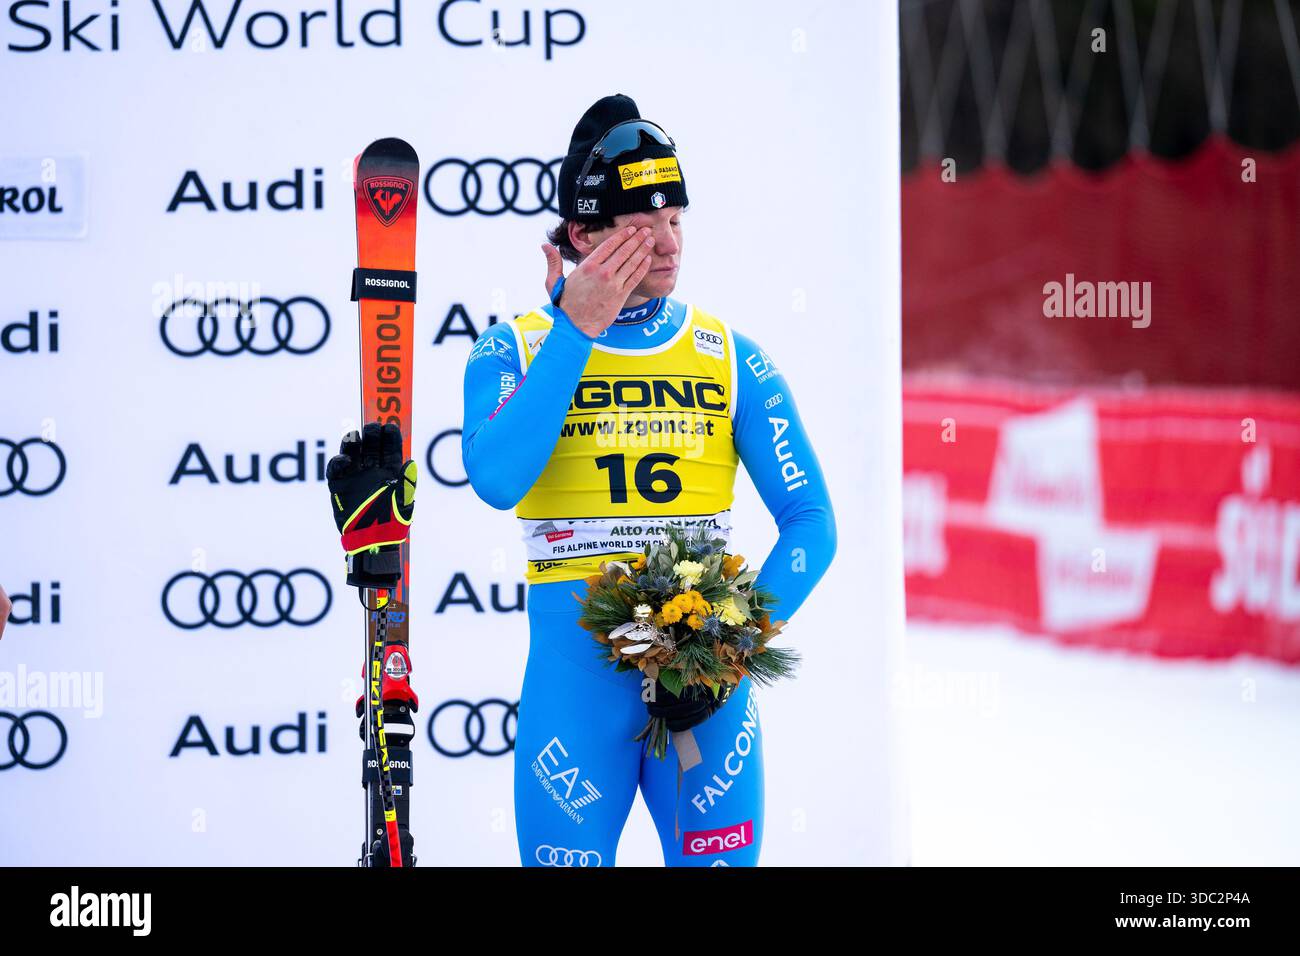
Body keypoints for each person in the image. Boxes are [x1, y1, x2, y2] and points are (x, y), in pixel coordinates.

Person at [461, 94, 836, 867]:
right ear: (582, 235)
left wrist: (730, 649)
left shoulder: (730, 352)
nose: (668, 247)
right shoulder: (516, 348)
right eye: (641, 229)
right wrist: (576, 333)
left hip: (706, 697)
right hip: (575, 700)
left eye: (676, 222)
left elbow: (812, 522)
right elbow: (496, 477)